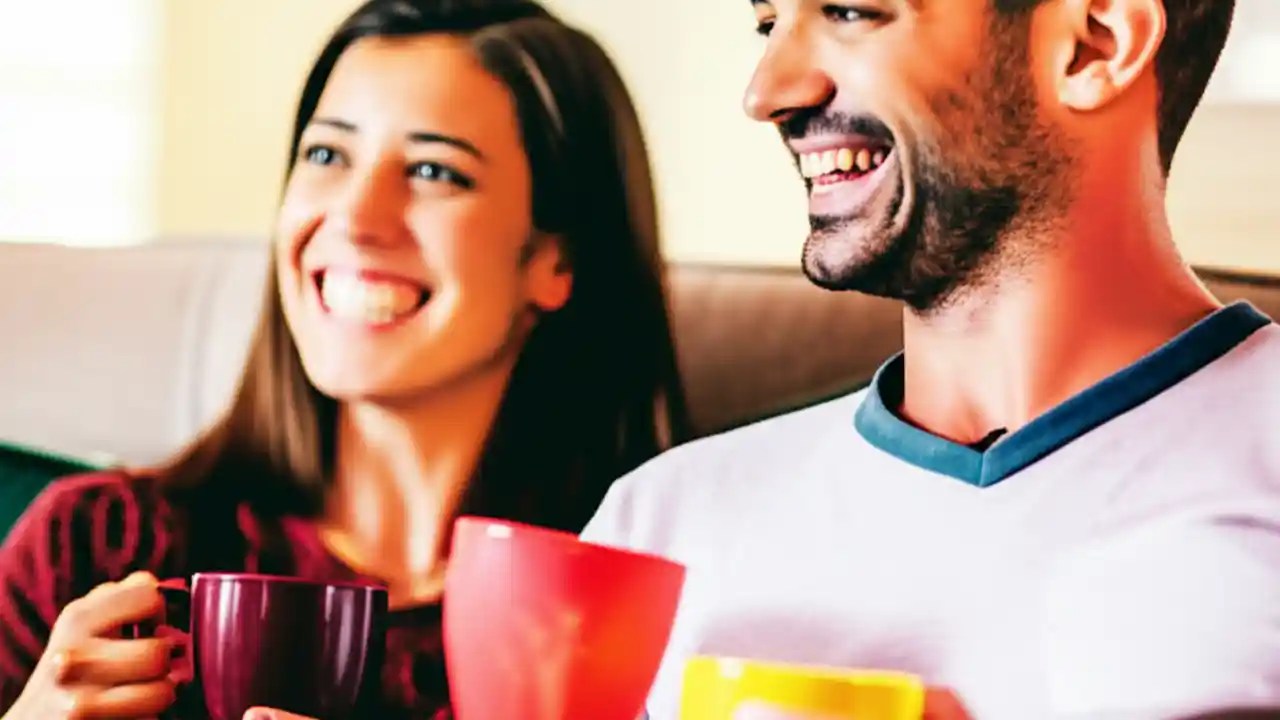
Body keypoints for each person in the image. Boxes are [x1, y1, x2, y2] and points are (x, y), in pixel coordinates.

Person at [583, 0, 1280, 718]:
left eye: (850, 13)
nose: (767, 93)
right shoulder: (657, 527)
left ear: (1094, 45)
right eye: (769, 25)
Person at [0, 0, 689, 717]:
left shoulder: (640, 609)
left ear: (556, 258)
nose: (356, 218)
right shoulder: (98, 546)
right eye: (327, 156)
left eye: (433, 170)